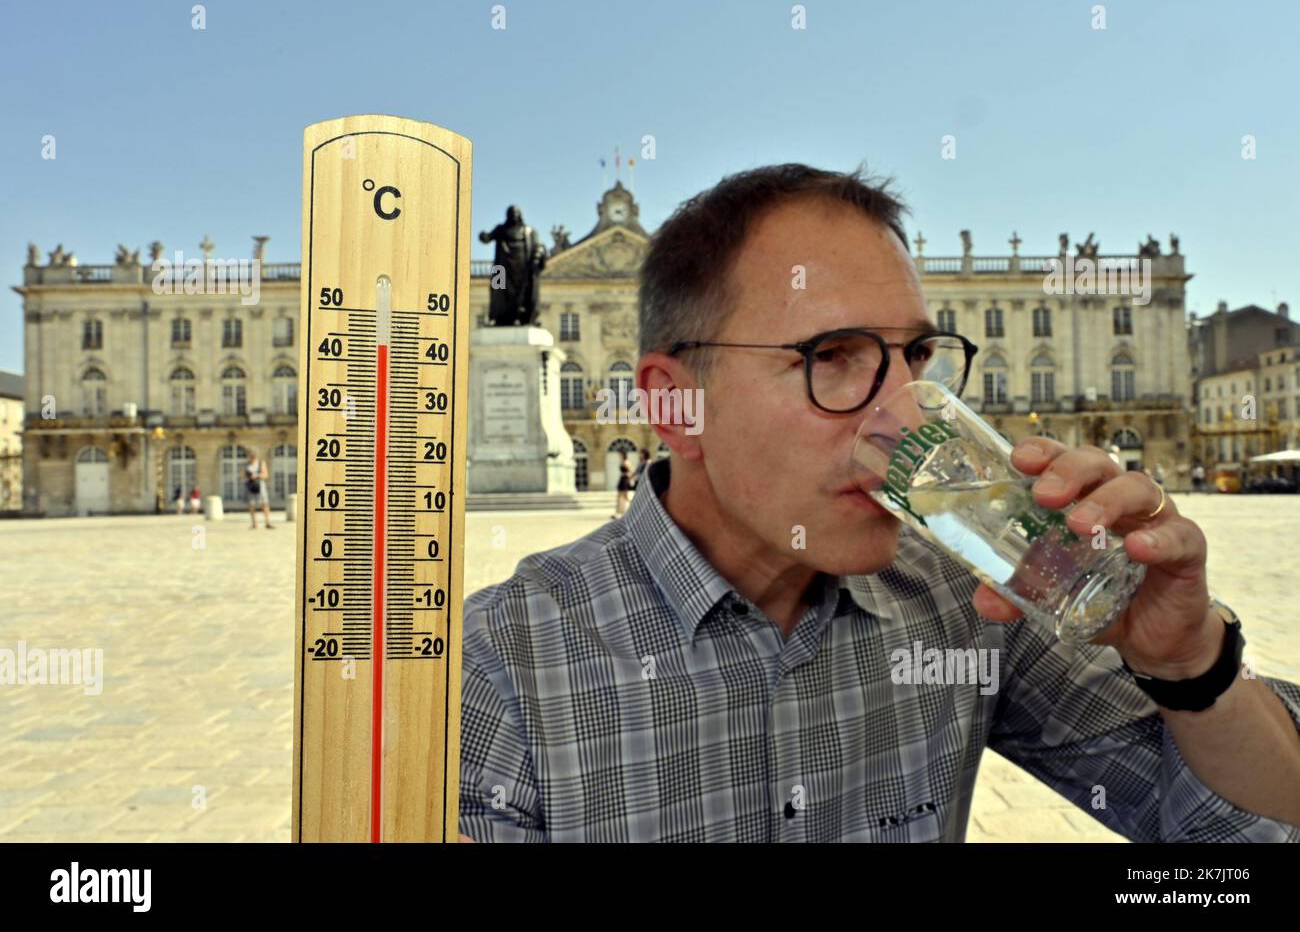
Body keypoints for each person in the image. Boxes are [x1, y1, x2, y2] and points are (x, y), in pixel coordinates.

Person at [459, 163, 1300, 842]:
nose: (906, 421)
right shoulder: (500, 673)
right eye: (834, 356)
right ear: (677, 404)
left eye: (918, 357)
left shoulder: (967, 604)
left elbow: (1246, 837)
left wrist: (1194, 664)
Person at [244, 449, 273, 529]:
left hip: (260, 487)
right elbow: (242, 475)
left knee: (264, 504)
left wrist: (256, 475)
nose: (252, 458)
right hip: (250, 487)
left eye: (253, 457)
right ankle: (254, 523)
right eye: (251, 457)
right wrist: (248, 475)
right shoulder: (247, 465)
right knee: (252, 505)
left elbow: (266, 475)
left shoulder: (261, 463)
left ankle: (268, 522)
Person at [612, 453, 632, 519]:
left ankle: (624, 512)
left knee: (624, 496)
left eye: (620, 455)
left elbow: (631, 471)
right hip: (622, 479)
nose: (619, 456)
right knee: (620, 496)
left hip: (624, 480)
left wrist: (629, 479)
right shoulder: (622, 462)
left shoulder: (626, 462)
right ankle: (618, 512)